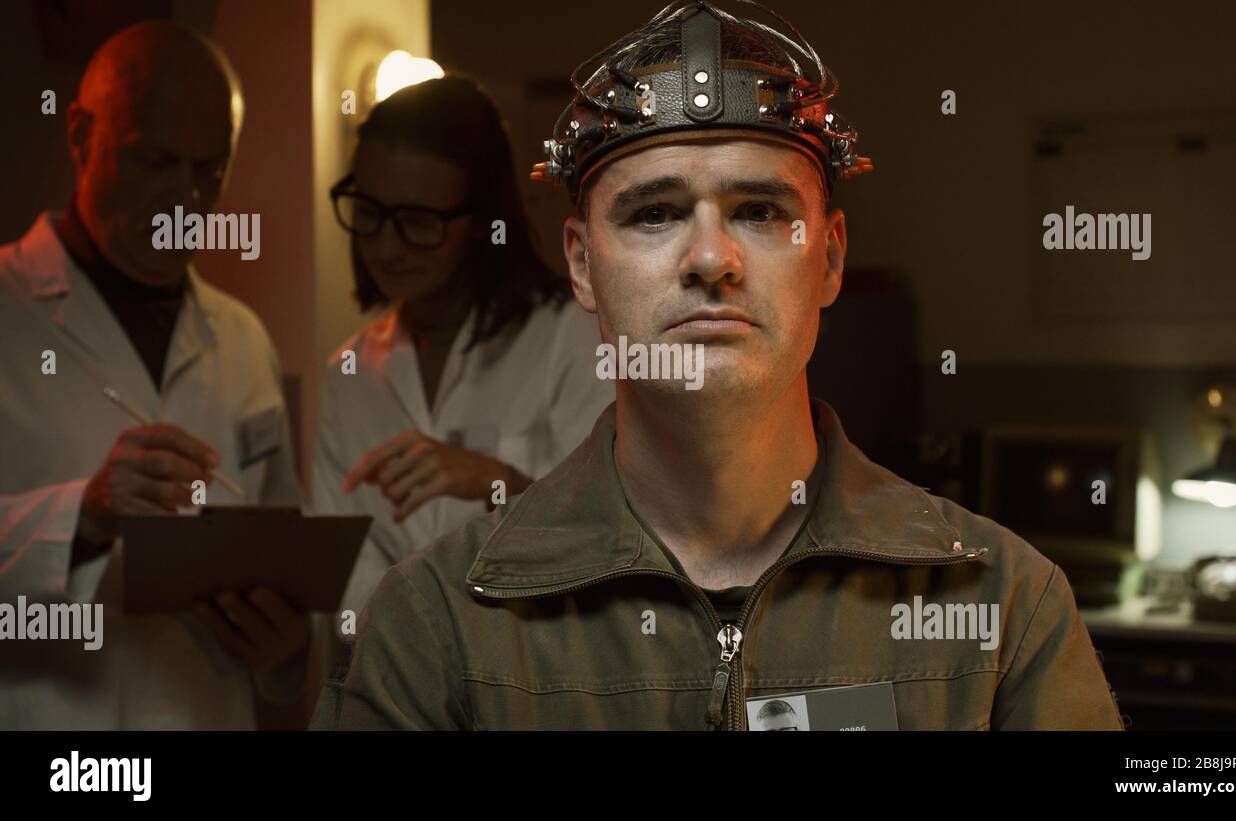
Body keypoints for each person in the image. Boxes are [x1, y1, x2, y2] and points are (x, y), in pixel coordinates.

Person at [315, 1, 1124, 730]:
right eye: (656, 212)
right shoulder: (439, 624)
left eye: (761, 211)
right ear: (583, 266)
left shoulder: (1000, 608)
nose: (711, 257)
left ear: (831, 258)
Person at [0, 21, 311, 729]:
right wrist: (83, 515)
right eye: (155, 161)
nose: (187, 200)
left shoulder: (242, 338)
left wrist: (286, 648)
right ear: (80, 134)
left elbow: (286, 562)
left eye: (209, 169)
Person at [311, 77, 611, 631]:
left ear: (480, 224)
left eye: (419, 222)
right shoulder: (350, 375)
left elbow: (614, 538)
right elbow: (349, 581)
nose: (385, 245)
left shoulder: (571, 337)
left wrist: (502, 482)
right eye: (369, 211)